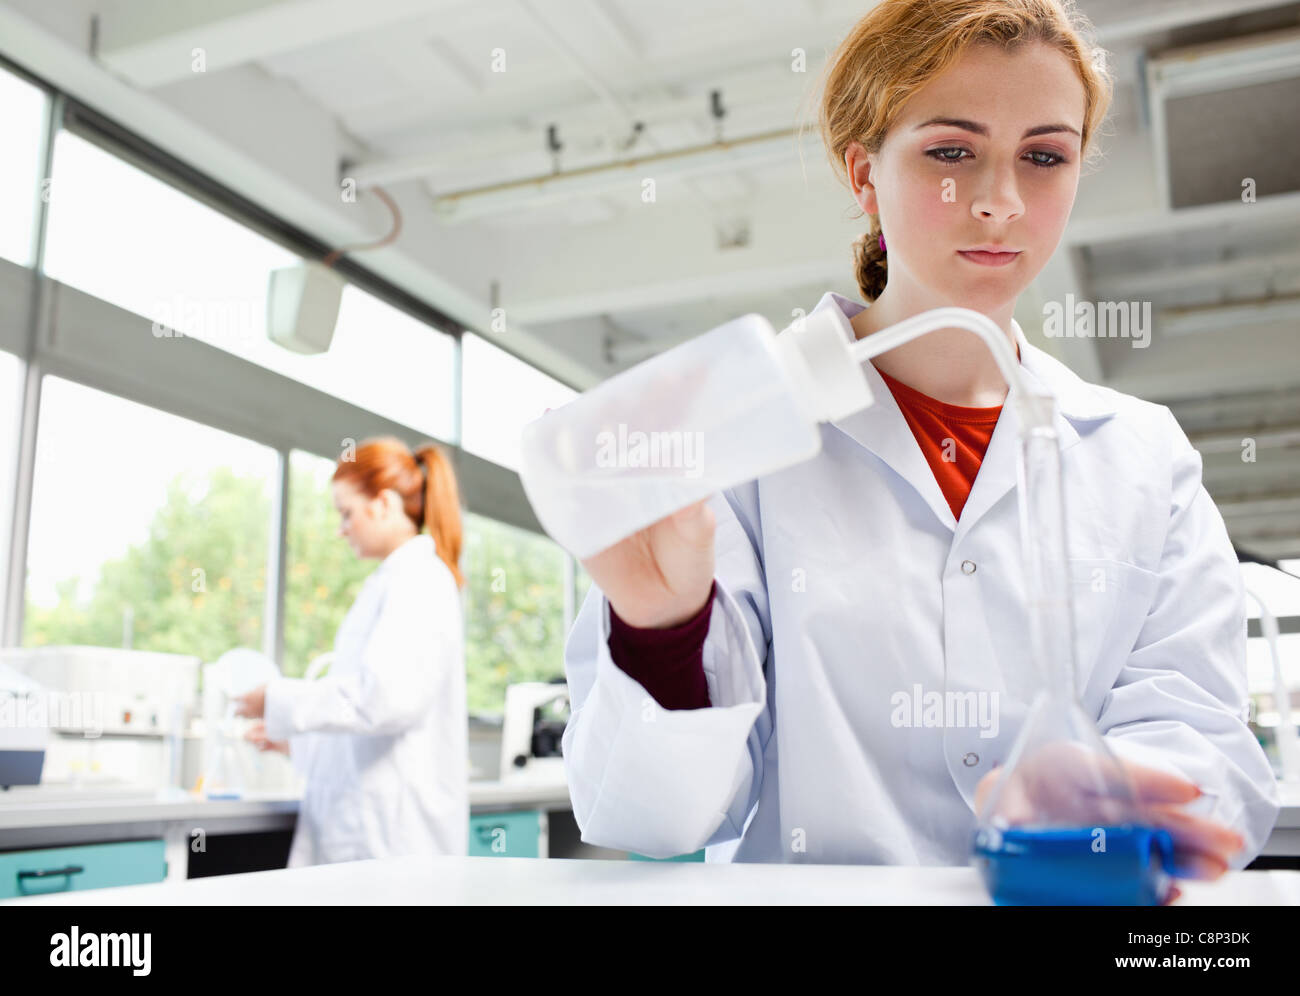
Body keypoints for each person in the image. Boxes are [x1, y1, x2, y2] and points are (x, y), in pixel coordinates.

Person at [559, 0, 1279, 895]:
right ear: (864, 174)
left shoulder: (1142, 456)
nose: (999, 201)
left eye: (1045, 157)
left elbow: (1203, 743)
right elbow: (647, 818)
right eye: (950, 151)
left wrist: (1120, 795)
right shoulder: (742, 438)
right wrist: (661, 632)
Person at [235, 437, 468, 866]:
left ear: (382, 503)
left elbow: (383, 701)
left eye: (346, 513)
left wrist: (276, 698)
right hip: (367, 832)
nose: (341, 528)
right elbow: (363, 722)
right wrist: (295, 743)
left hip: (396, 840)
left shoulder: (420, 580)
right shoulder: (388, 583)